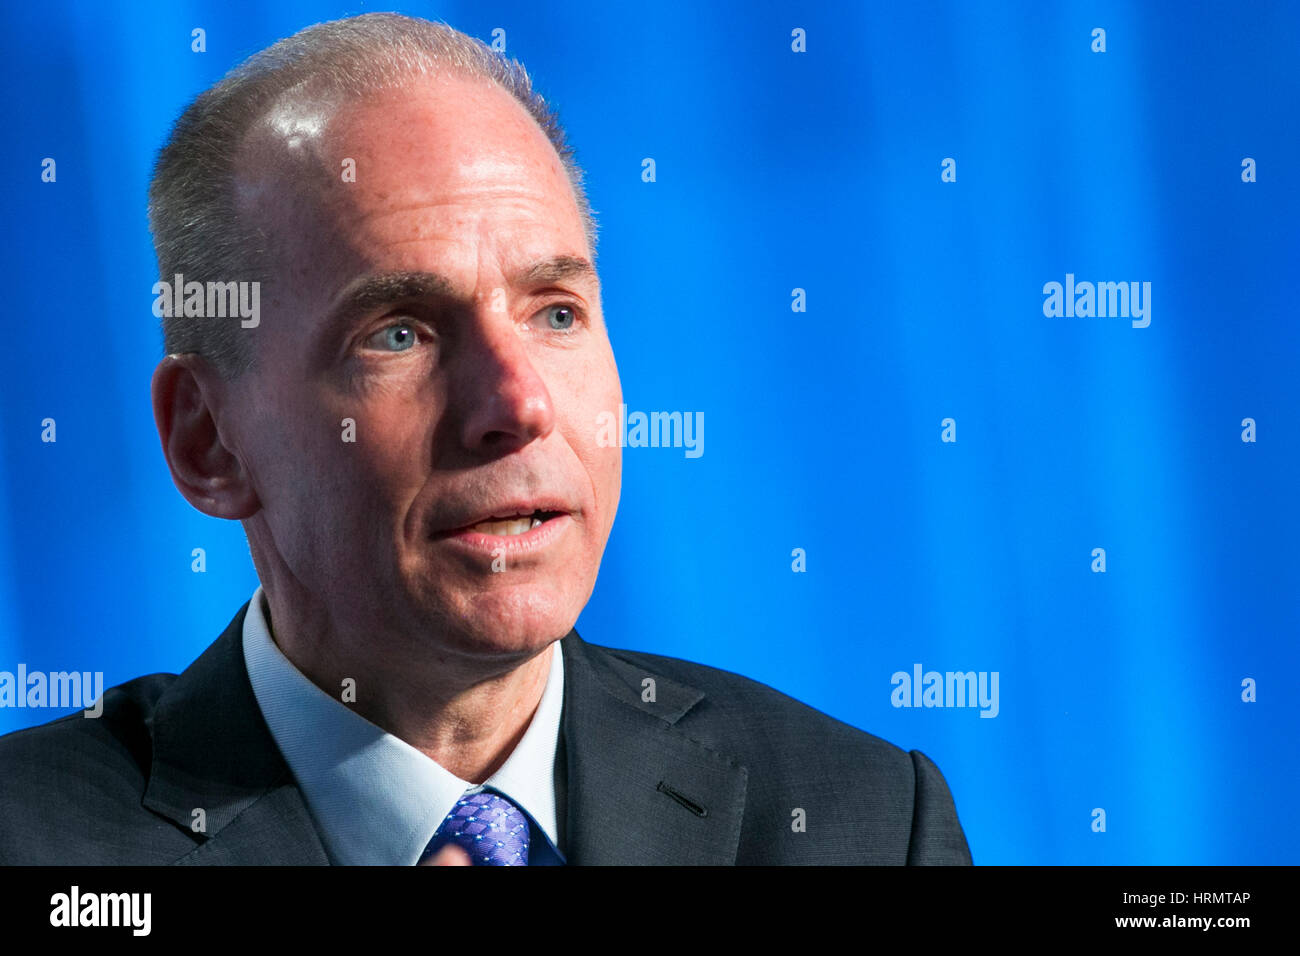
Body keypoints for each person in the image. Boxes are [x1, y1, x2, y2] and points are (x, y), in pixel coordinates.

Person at [0, 12, 972, 866]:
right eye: (399, 333)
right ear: (209, 443)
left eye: (555, 312)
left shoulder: (866, 820)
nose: (517, 403)